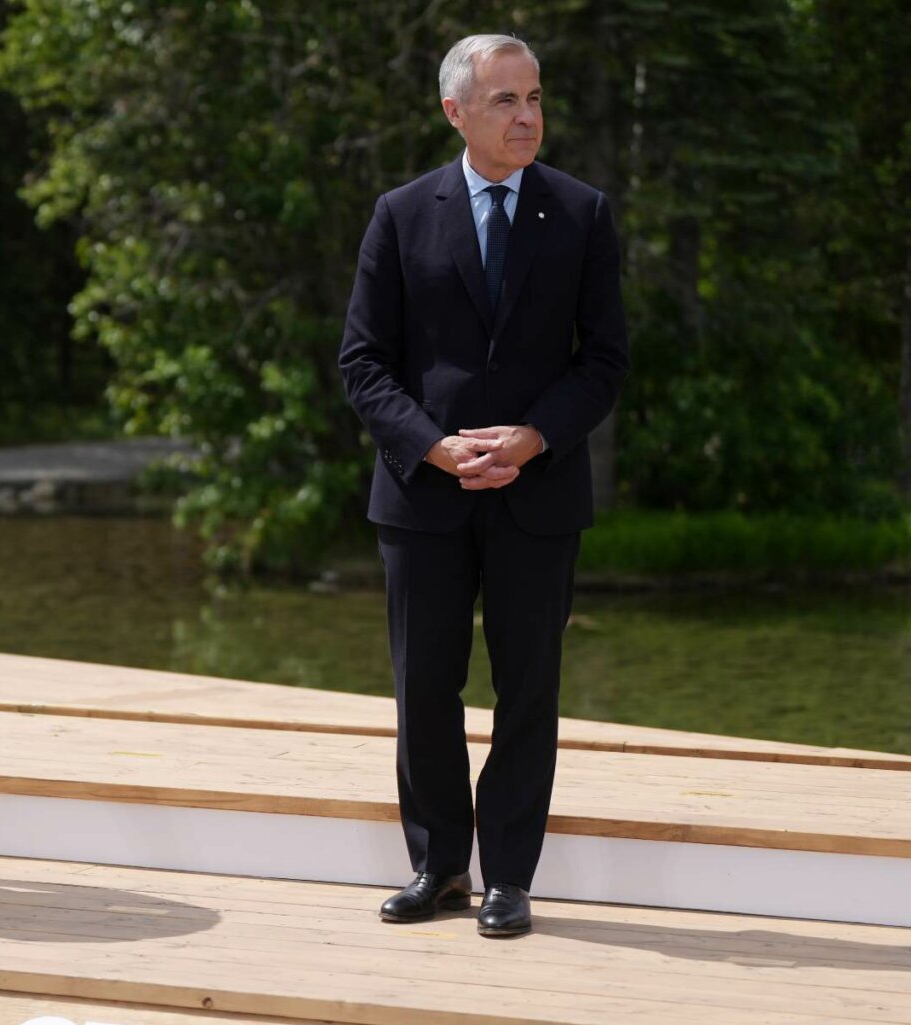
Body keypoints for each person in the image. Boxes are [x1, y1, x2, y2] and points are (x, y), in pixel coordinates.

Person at [338, 35, 629, 936]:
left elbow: (605, 362)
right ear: (455, 111)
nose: (527, 116)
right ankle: (437, 868)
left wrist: (536, 435)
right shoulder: (400, 213)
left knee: (528, 689)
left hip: (537, 495)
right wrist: (432, 447)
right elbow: (362, 362)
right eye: (505, 100)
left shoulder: (582, 213)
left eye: (535, 97)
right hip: (424, 496)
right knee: (423, 686)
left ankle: (508, 876)